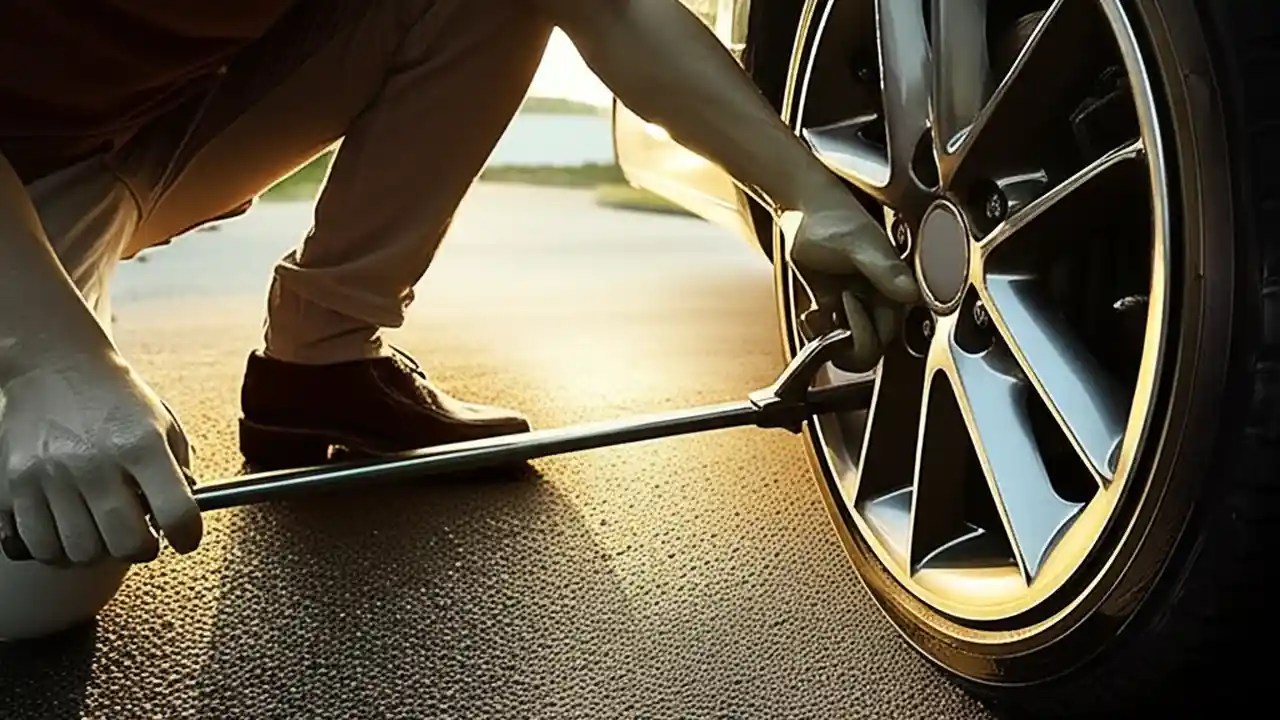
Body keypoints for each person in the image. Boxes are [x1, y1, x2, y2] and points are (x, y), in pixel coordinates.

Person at [0, 0, 919, 639]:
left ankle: (321, 360)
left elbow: (612, 12)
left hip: (142, 147)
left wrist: (802, 192)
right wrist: (47, 356)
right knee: (38, 580)